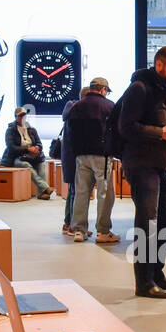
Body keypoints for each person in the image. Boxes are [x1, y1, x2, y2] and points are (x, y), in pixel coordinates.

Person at [118, 46, 166, 298]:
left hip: (161, 166)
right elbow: (126, 127)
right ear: (159, 65)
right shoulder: (139, 89)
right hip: (140, 165)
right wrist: (159, 133)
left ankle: (156, 273)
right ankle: (143, 282)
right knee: (148, 224)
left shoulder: (164, 91)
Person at [64, 77, 118, 244]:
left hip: (81, 156)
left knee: (81, 193)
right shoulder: (109, 106)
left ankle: (79, 230)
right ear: (102, 90)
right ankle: (102, 231)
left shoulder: (76, 106)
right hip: (102, 156)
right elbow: (116, 131)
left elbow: (70, 133)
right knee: (105, 194)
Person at [1, 107, 53, 199]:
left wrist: (37, 148)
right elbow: (11, 147)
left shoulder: (32, 129)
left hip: (33, 156)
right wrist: (27, 149)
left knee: (41, 166)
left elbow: (39, 143)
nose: (22, 118)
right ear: (16, 117)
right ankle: (46, 187)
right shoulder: (11, 130)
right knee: (25, 165)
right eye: (20, 116)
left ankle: (42, 193)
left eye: (24, 115)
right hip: (17, 157)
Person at [61, 86, 91, 237]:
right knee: (75, 192)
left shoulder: (70, 110)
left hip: (69, 156)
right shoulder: (77, 112)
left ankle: (68, 223)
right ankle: (73, 226)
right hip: (75, 157)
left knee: (72, 191)